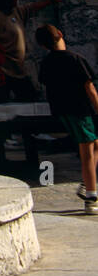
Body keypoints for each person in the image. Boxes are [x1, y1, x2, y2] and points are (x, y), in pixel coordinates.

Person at [35, 25, 98, 211]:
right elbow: (90, 89)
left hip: (62, 110)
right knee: (86, 151)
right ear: (60, 34)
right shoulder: (75, 59)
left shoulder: (46, 63)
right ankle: (91, 197)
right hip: (80, 110)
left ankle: (87, 182)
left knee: (94, 144)